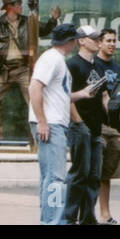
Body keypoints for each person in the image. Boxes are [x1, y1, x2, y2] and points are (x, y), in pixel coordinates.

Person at [0, 0, 60, 140]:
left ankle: (41, 136)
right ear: (9, 7)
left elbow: (44, 30)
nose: (20, 6)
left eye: (20, 3)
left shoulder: (28, 22)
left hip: (23, 69)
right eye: (17, 4)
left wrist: (53, 20)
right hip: (3, 70)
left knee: (34, 101)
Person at [29, 23, 81, 225]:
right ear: (69, 41)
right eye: (74, 40)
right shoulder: (53, 59)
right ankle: (53, 222)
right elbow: (34, 87)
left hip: (52, 122)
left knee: (50, 177)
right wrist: (42, 121)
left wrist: (82, 94)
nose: (76, 43)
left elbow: (58, 94)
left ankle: (49, 219)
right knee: (56, 179)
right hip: (51, 124)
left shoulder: (54, 59)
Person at [66, 25, 108, 224]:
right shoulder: (72, 65)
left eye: (98, 37)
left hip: (96, 127)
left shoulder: (98, 66)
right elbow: (65, 97)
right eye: (94, 38)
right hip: (79, 126)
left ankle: (87, 218)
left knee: (93, 175)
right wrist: (78, 122)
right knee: (79, 174)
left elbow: (103, 97)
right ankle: (68, 216)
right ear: (81, 40)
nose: (98, 41)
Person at [95, 29, 120, 225]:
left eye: (114, 40)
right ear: (99, 43)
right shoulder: (93, 64)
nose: (112, 44)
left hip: (114, 126)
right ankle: (86, 213)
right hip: (96, 124)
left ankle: (105, 214)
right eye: (108, 40)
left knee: (107, 173)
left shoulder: (117, 67)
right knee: (92, 172)